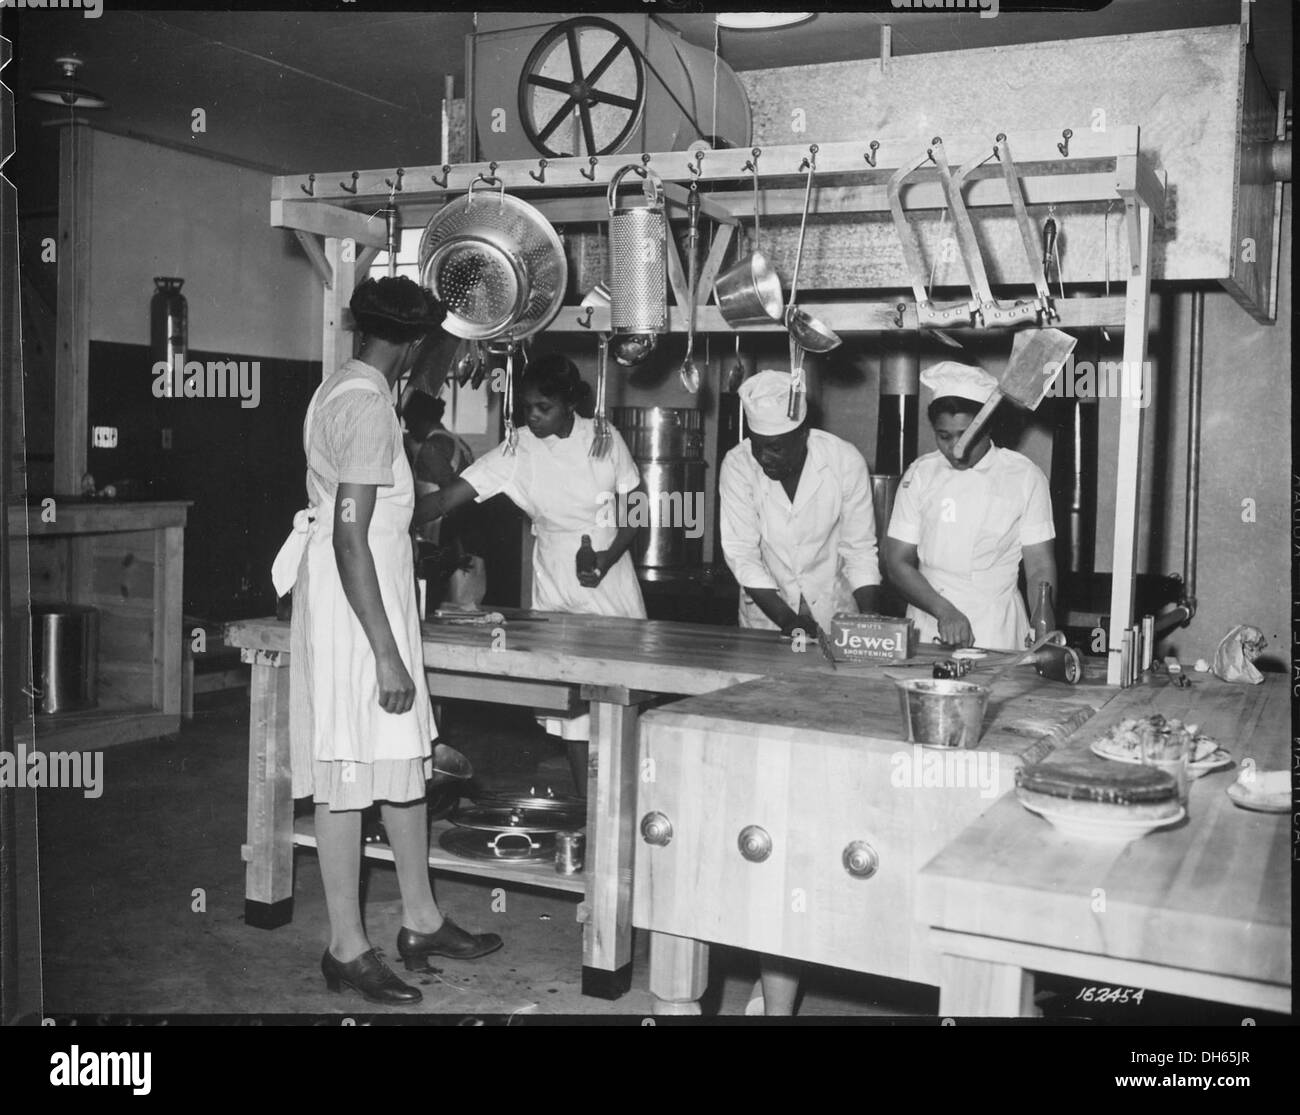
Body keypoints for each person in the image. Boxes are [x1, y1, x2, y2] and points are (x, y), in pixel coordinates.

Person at [270, 277, 502, 1007]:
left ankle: (422, 918)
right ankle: (345, 946)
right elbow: (348, 536)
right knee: (348, 769)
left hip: (372, 600)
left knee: (401, 758)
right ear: (410, 342)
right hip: (355, 614)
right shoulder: (367, 406)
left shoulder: (342, 386)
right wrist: (386, 650)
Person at [717, 368, 883, 1017]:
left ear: (805, 431)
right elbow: (740, 553)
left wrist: (867, 626)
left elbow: (863, 552)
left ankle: (822, 915)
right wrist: (793, 623)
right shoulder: (738, 465)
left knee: (826, 777)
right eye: (761, 447)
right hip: (766, 623)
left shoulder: (844, 462)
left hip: (837, 618)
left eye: (781, 446)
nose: (769, 457)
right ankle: (772, 943)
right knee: (768, 775)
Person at [411, 353, 646, 797]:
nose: (533, 418)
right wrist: (393, 516)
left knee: (618, 701)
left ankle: (623, 814)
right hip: (554, 579)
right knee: (572, 716)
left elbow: (636, 506)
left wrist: (608, 556)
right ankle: (589, 815)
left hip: (609, 578)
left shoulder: (603, 437)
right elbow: (448, 499)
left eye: (544, 408)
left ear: (569, 404)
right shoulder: (518, 448)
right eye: (527, 409)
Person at [883, 361, 1057, 650]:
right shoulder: (920, 474)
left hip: (997, 627)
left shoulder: (1025, 476)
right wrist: (944, 611)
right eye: (944, 436)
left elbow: (1039, 565)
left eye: (967, 435)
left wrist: (1044, 623)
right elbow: (897, 562)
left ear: (988, 427)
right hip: (929, 622)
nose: (955, 449)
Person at [401, 390, 480, 605]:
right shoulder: (456, 441)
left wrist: (456, 549)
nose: (408, 428)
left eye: (409, 421)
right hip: (461, 535)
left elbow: (451, 498)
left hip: (446, 535)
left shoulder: (432, 448)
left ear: (423, 419)